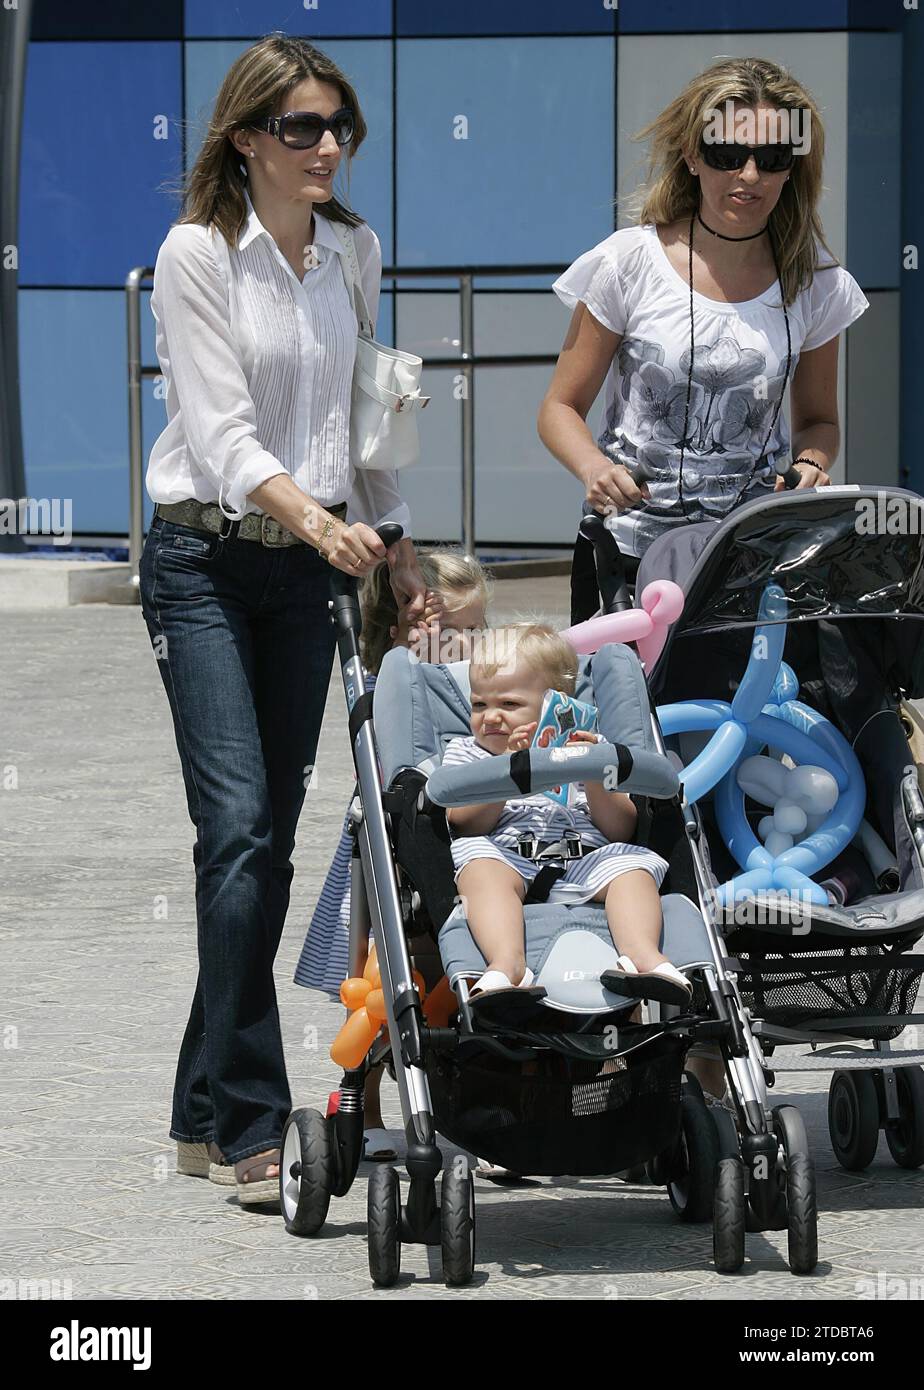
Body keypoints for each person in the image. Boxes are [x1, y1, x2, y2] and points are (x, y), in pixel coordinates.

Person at [139, 35, 434, 1208]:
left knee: (263, 842)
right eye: (303, 128)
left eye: (340, 127)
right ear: (247, 137)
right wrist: (323, 530)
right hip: (203, 565)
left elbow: (365, 415)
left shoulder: (354, 250)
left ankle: (199, 1106)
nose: (328, 147)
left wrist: (395, 543)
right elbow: (221, 439)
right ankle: (257, 1115)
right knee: (239, 835)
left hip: (309, 575)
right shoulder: (195, 255)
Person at [538, 55, 869, 624]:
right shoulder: (628, 262)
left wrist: (811, 462)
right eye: (726, 155)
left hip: (753, 557)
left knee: (748, 710)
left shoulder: (816, 281)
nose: (749, 176)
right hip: (627, 555)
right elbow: (559, 407)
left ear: (792, 167)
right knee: (635, 712)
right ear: (692, 156)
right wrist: (595, 469)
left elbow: (819, 421)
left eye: (771, 158)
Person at [294, 547, 492, 1159]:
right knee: (377, 987)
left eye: (478, 632)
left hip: (472, 845)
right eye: (456, 635)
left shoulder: (485, 692)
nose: (470, 647)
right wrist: (419, 653)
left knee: (456, 981)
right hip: (395, 844)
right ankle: (367, 1101)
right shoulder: (390, 685)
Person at [442, 624, 686, 1025]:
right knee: (476, 860)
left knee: (633, 862)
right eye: (479, 705)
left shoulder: (589, 747)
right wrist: (508, 772)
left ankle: (644, 958)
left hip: (586, 859)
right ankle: (508, 966)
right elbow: (464, 823)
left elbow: (619, 829)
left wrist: (593, 773)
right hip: (508, 858)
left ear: (559, 703)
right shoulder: (468, 754)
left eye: (509, 703)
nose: (491, 717)